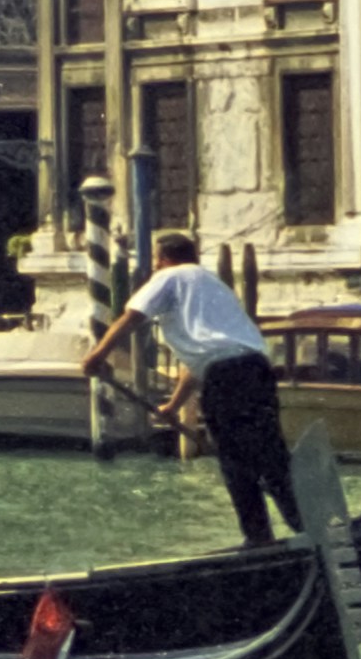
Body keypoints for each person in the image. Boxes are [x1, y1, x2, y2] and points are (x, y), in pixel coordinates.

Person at [84, 230, 290, 547]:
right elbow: (197, 362)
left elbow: (131, 317)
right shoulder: (212, 285)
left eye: (155, 259)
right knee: (268, 453)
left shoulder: (170, 276)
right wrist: (173, 406)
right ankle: (303, 521)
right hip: (257, 370)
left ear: (164, 259)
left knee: (234, 459)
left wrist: (97, 356)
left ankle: (258, 538)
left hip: (227, 377)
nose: (154, 266)